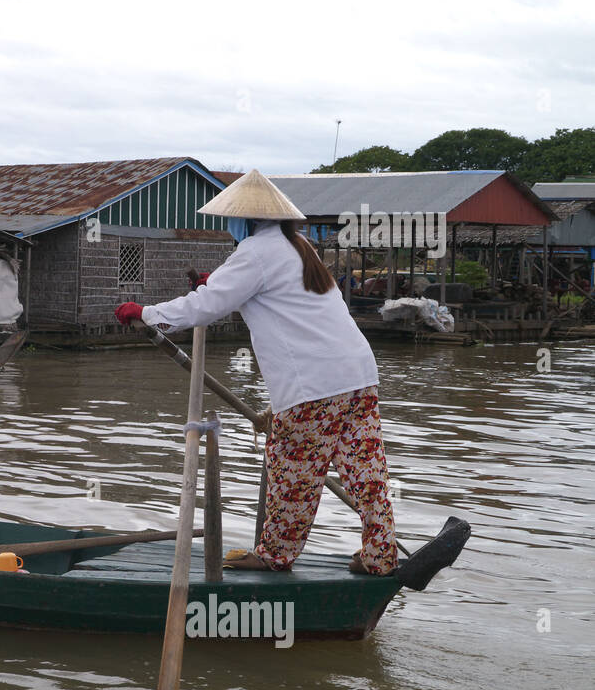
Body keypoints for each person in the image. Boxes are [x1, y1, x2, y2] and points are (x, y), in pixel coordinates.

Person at [114, 169, 397, 576]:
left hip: (312, 387)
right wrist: (220, 282)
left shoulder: (255, 252)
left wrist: (147, 313)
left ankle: (274, 555)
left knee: (292, 471)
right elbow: (256, 290)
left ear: (246, 220)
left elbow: (206, 307)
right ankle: (380, 555)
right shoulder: (299, 247)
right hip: (357, 376)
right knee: (364, 467)